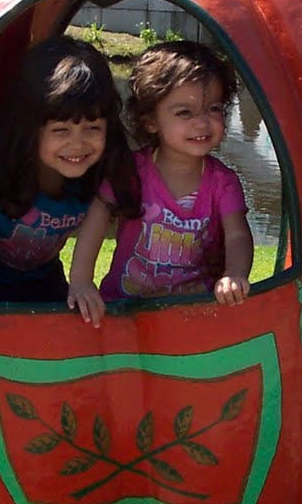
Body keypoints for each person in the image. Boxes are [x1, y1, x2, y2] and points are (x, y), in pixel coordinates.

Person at [0, 37, 128, 318]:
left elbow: (105, 223)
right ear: (30, 128)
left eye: (92, 127)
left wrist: (81, 282)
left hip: (44, 281)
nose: (78, 144)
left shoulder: (103, 169)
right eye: (61, 130)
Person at [68, 41, 251, 326]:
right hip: (123, 310)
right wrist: (80, 280)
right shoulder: (131, 171)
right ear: (150, 120)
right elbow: (99, 214)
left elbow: (237, 235)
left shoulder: (223, 183)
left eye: (213, 109)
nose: (202, 123)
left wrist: (234, 275)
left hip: (194, 316)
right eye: (185, 113)